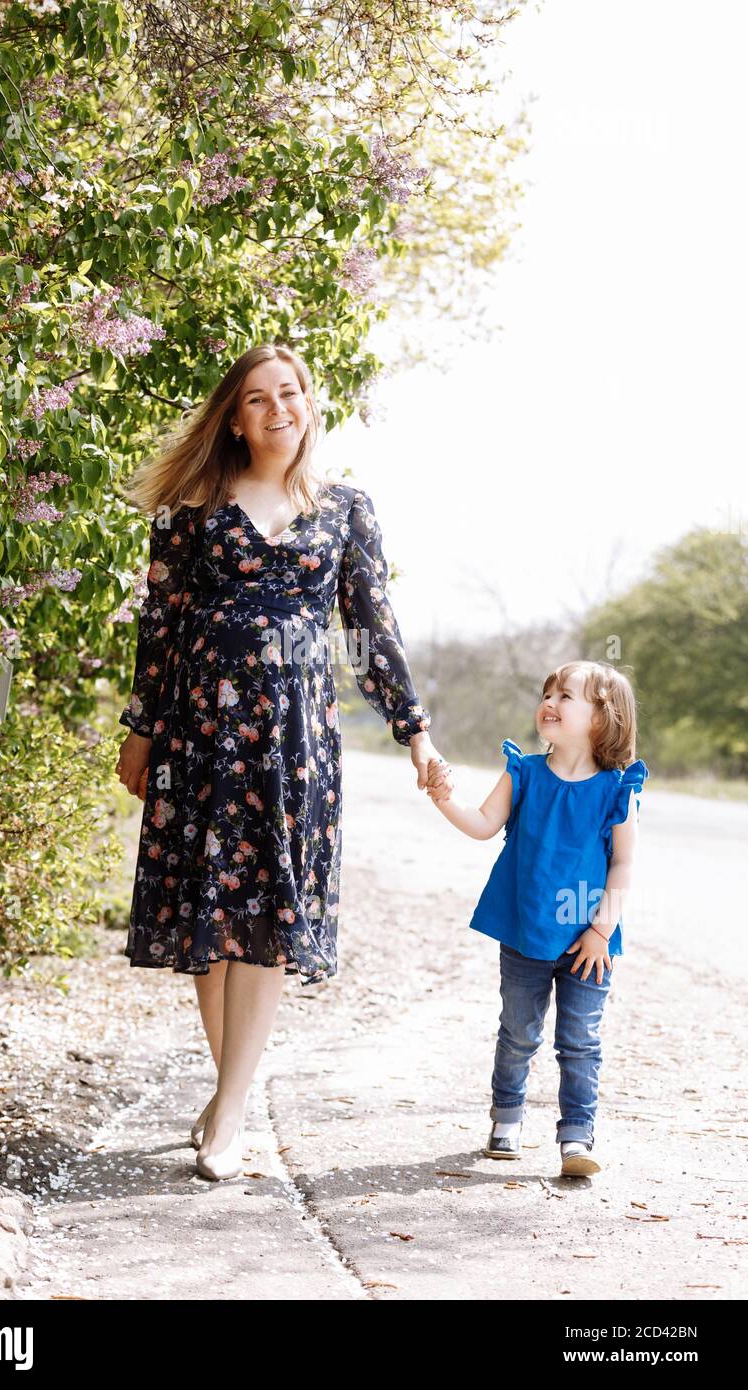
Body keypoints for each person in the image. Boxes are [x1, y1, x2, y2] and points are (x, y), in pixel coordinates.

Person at [115, 341, 446, 1180]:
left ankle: (230, 1109)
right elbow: (159, 629)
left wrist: (416, 730)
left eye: (290, 393)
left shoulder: (344, 508)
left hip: (293, 747)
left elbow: (371, 631)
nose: (277, 409)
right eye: (258, 398)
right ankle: (231, 1094)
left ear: (310, 403)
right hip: (200, 735)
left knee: (266, 912)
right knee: (211, 916)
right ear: (235, 415)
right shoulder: (190, 508)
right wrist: (141, 728)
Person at [425, 660, 649, 1178]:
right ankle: (507, 1117)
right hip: (527, 931)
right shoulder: (523, 772)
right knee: (519, 1031)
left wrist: (601, 931)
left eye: (566, 696)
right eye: (548, 692)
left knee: (580, 1040)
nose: (550, 701)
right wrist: (443, 798)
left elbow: (624, 861)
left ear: (603, 716)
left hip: (590, 941)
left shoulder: (618, 788)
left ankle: (577, 1136)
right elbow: (483, 824)